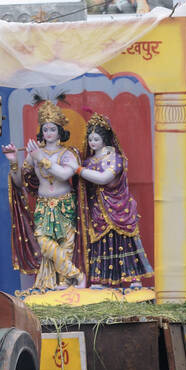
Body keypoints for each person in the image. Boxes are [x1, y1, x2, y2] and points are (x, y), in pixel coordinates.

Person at [5, 99, 84, 290]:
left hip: (65, 204)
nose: (48, 133)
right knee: (44, 243)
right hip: (43, 205)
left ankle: (65, 283)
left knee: (66, 244)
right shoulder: (33, 155)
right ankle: (75, 274)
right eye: (45, 129)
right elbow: (19, 182)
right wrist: (13, 161)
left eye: (52, 129)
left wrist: (42, 158)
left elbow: (66, 174)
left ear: (60, 132)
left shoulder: (68, 153)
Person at [76, 113, 152, 287]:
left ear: (105, 139)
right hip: (97, 208)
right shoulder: (88, 162)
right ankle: (101, 279)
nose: (92, 143)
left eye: (96, 139)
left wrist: (78, 170)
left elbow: (104, 178)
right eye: (90, 139)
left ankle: (133, 278)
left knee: (123, 241)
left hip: (119, 206)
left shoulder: (116, 159)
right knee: (102, 241)